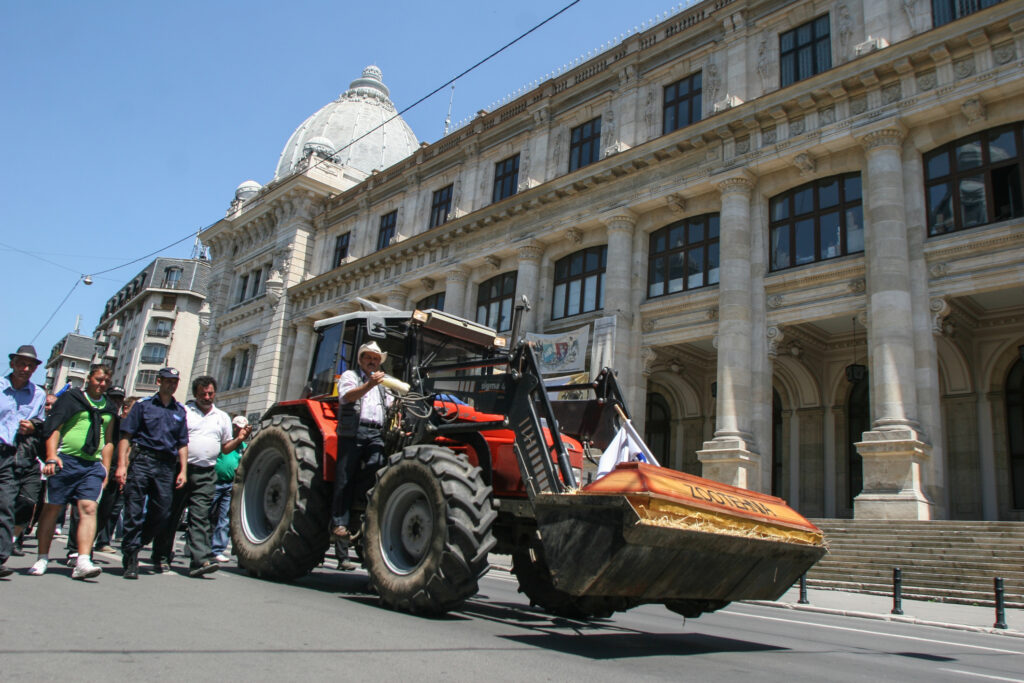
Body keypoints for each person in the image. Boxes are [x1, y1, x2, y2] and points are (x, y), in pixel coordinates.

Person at [152, 375, 249, 577]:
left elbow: (225, 448)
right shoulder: (184, 412)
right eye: (203, 393)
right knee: (171, 515)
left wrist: (240, 439)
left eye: (210, 393)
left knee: (200, 516)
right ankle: (161, 556)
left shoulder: (221, 417)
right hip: (182, 470)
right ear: (195, 394)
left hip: (206, 473)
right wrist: (180, 470)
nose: (207, 397)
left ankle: (199, 560)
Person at [28, 365, 116, 579]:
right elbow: (54, 427)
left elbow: (109, 439)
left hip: (92, 466)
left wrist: (105, 468)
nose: (102, 384)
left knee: (89, 508)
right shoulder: (71, 399)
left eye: (105, 380)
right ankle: (42, 557)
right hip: (65, 461)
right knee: (52, 508)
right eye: (98, 379)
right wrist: (51, 456)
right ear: (89, 378)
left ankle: (83, 560)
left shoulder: (109, 407)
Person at [115, 367, 188, 579]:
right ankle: (131, 558)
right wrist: (122, 465)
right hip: (142, 461)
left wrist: (182, 469)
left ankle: (138, 542)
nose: (171, 384)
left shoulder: (179, 410)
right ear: (159, 382)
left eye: (174, 381)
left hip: (166, 466)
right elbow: (126, 436)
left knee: (163, 512)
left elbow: (182, 443)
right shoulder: (142, 406)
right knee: (134, 511)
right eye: (167, 381)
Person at [330, 341, 394, 541]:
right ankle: (339, 522)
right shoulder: (351, 376)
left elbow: (391, 405)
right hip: (354, 430)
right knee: (344, 476)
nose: (373, 362)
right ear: (361, 360)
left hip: (376, 432)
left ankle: (358, 502)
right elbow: (347, 396)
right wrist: (370, 384)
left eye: (376, 359)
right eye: (369, 358)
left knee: (378, 464)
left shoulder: (384, 384)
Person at [0, 345, 47, 578]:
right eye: (21, 364)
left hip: (13, 454)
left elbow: (40, 421)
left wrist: (33, 425)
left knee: (7, 504)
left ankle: (0, 557)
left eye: (30, 366)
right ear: (12, 364)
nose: (25, 369)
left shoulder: (38, 394)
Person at [10, 393, 54, 557]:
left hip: (30, 466)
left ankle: (12, 541)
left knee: (27, 503)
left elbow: (47, 446)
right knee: (6, 504)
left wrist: (51, 460)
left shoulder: (43, 425)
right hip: (8, 463)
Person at [92, 387, 128, 553]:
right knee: (88, 507)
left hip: (114, 471)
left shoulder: (123, 424)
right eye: (113, 399)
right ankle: (76, 547)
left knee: (107, 510)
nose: (116, 402)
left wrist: (122, 468)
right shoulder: (98, 418)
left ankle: (98, 540)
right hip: (95, 467)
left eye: (119, 400)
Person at [210, 415, 249, 563]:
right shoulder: (224, 442)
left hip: (229, 485)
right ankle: (195, 543)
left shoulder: (244, 448)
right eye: (237, 427)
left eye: (242, 429)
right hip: (215, 482)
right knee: (206, 513)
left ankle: (217, 549)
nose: (239, 431)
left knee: (224, 517)